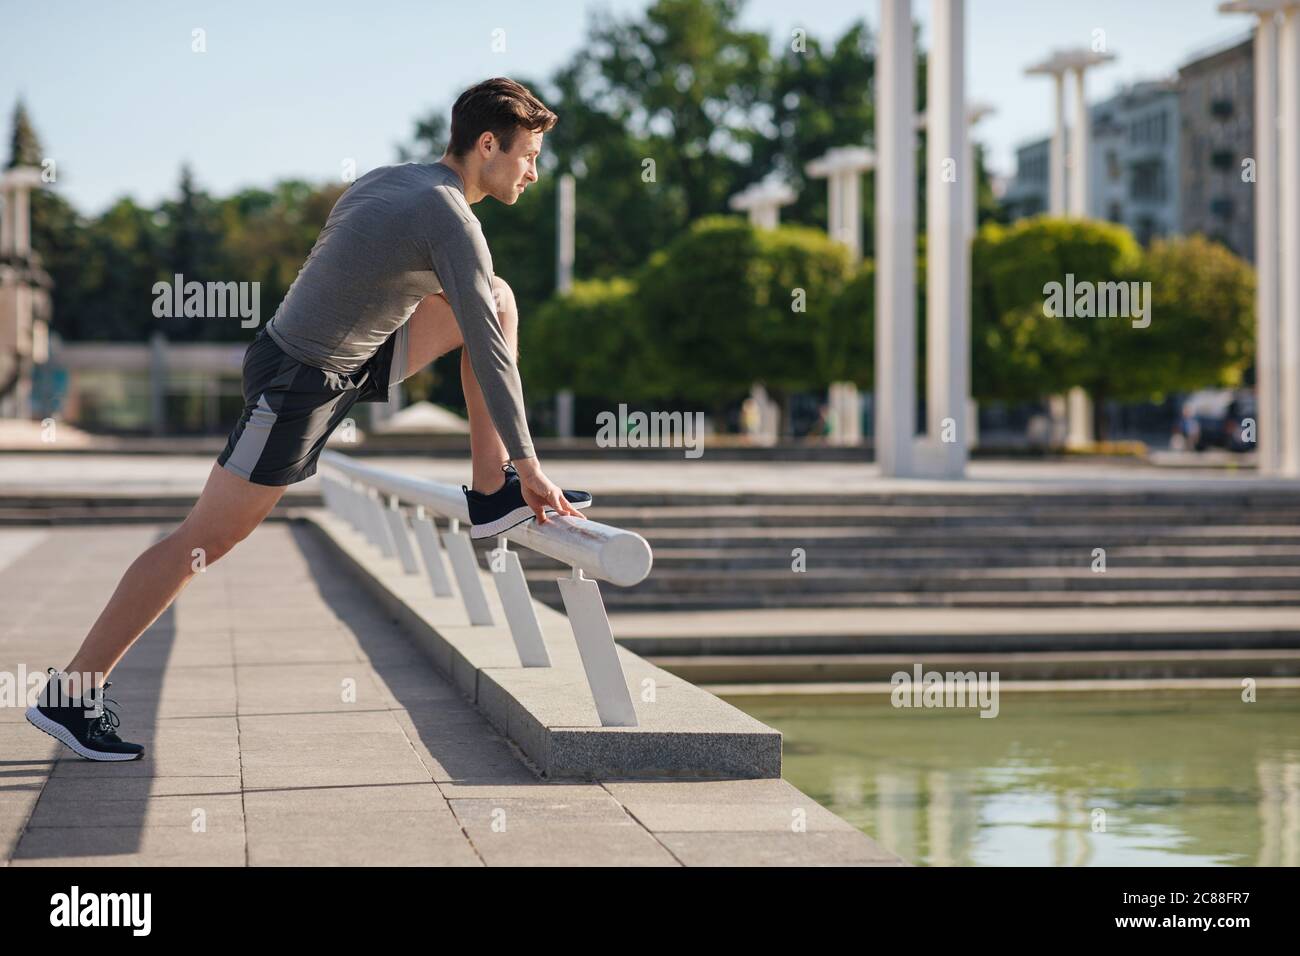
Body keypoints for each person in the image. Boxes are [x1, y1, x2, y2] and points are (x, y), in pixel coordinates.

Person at [27, 77, 590, 762]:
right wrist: (532, 465)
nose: (533, 173)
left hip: (346, 359)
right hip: (297, 384)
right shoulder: (448, 217)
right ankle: (72, 691)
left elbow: (378, 283)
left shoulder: (395, 181)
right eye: (528, 156)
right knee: (202, 541)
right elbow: (492, 359)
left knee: (496, 300)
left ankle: (490, 489)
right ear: (488, 144)